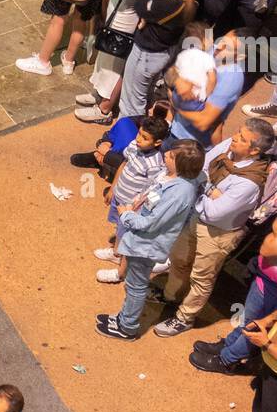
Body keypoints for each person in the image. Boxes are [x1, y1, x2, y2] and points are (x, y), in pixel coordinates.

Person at [154, 120, 275, 335]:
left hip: (219, 233)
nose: (234, 137)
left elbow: (215, 212)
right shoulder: (229, 147)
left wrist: (203, 187)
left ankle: (184, 317)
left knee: (201, 278)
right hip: (196, 218)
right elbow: (201, 168)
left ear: (254, 150)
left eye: (242, 138)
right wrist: (209, 190)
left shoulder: (249, 183)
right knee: (179, 259)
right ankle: (171, 296)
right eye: (238, 132)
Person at [96, 139, 206, 338]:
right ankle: (123, 317)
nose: (165, 154)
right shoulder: (171, 178)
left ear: (181, 164)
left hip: (146, 245)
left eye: (171, 156)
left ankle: (127, 327)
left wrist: (126, 214)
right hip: (140, 240)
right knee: (132, 283)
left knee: (136, 286)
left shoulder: (180, 192)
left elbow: (151, 222)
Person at [74, 0, 172, 124]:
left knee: (115, 62)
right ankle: (98, 94)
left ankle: (104, 109)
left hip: (127, 15)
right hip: (118, 9)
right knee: (106, 57)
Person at [95, 113, 170, 284]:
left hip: (131, 206)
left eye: (144, 138)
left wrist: (135, 207)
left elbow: (151, 188)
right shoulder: (133, 146)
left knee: (125, 231)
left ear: (157, 143)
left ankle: (118, 256)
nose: (138, 139)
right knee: (118, 226)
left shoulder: (155, 164)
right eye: (139, 134)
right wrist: (113, 188)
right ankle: (116, 252)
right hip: (119, 196)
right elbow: (124, 164)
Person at [118, 0, 200, 118]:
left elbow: (140, 5)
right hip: (162, 55)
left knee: (131, 104)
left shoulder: (169, 5)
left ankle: (126, 138)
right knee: (146, 95)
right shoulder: (191, 4)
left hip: (145, 56)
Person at [193, 224, 277, 370]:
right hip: (265, 278)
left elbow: (267, 247)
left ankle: (227, 360)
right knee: (247, 320)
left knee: (256, 328)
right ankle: (228, 344)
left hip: (273, 288)